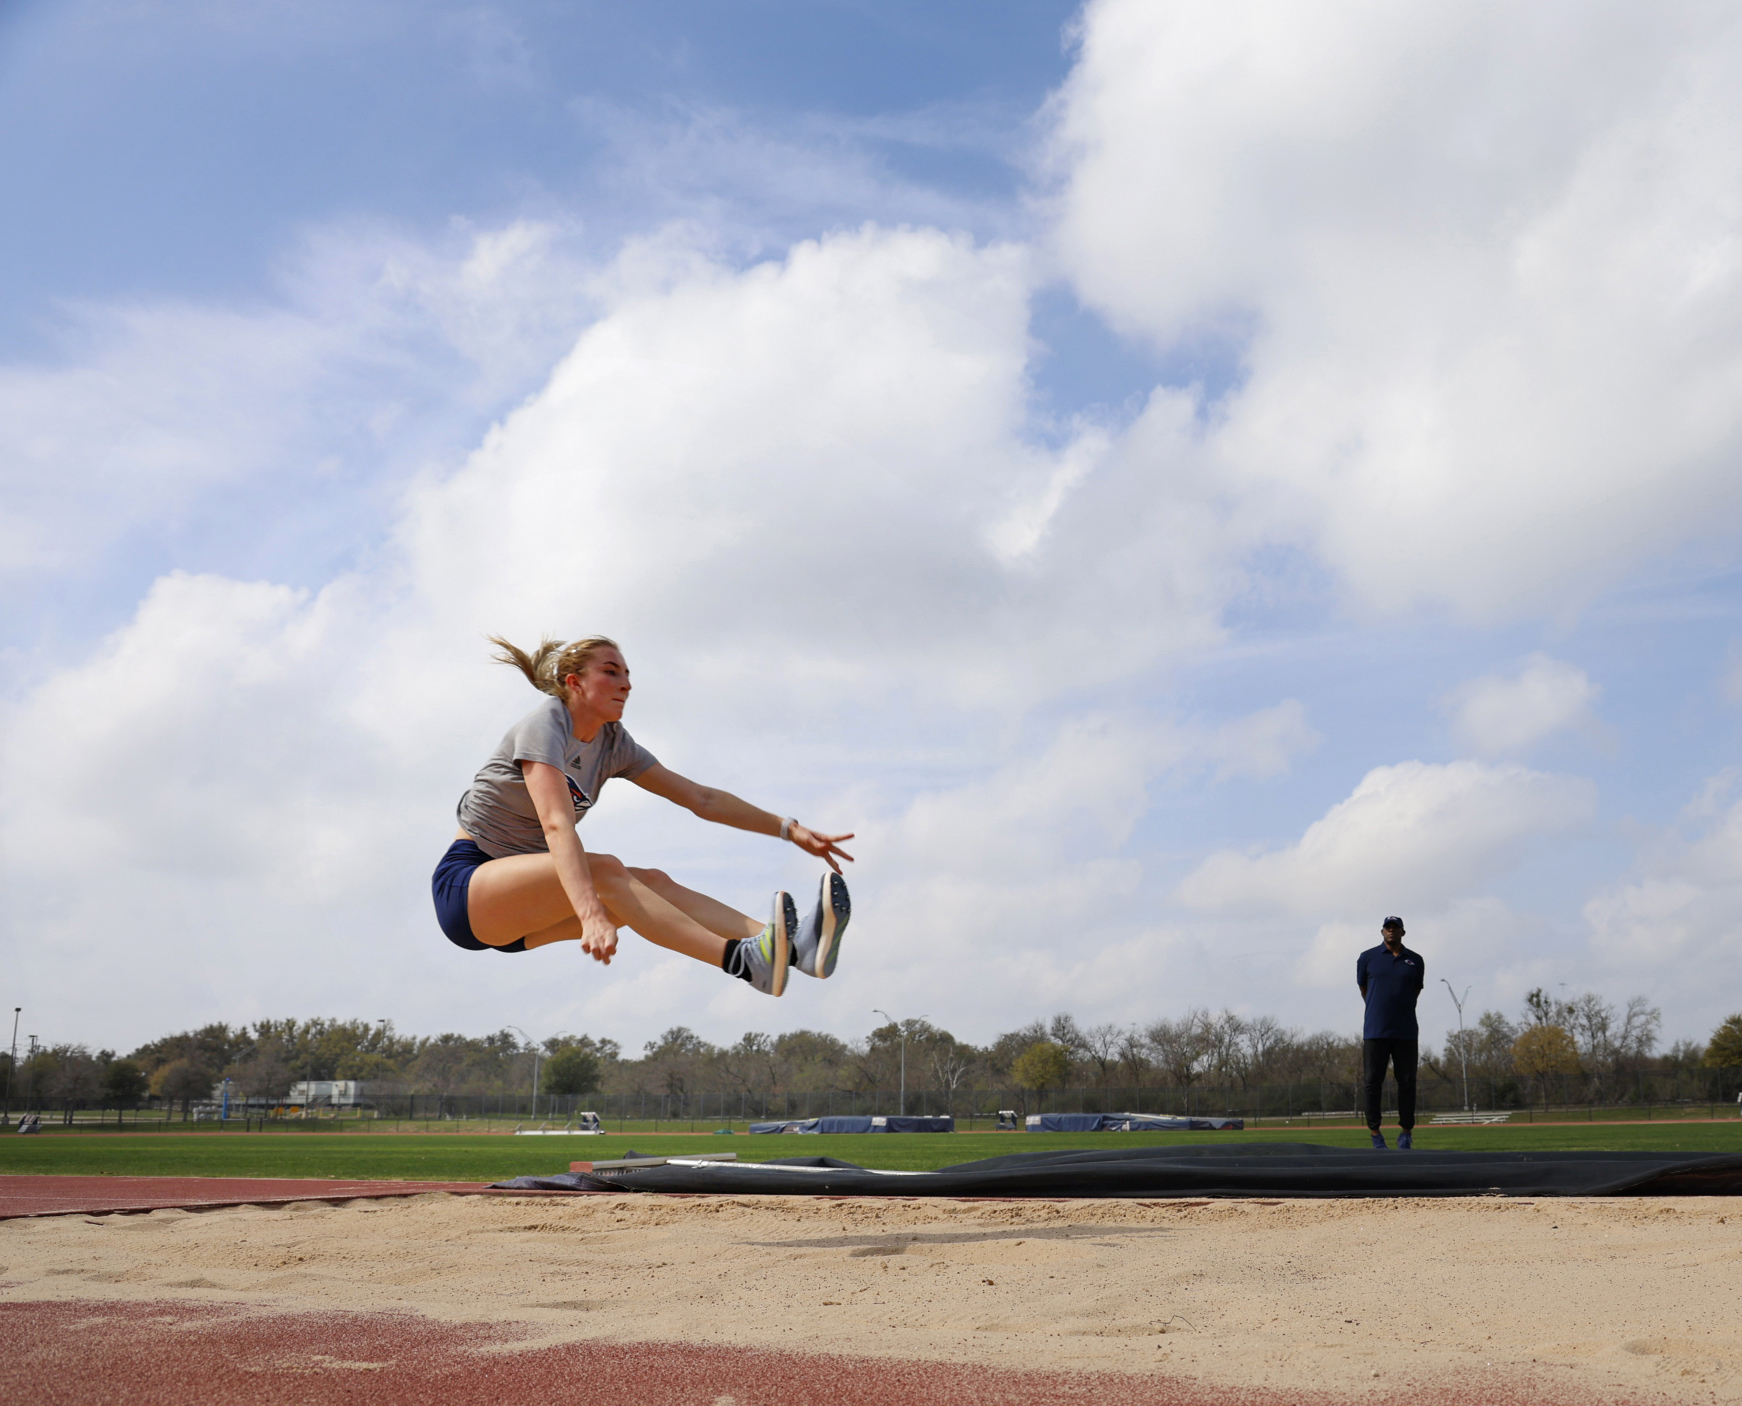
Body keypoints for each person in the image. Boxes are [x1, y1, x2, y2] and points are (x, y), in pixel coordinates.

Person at [431, 635, 854, 996]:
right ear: (574, 683)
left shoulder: (613, 743)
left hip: (522, 913)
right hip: (469, 888)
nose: (626, 684)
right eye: (611, 672)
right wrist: (591, 914)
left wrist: (788, 829)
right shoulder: (546, 725)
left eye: (628, 675)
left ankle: (792, 950)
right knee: (608, 872)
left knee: (652, 883)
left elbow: (700, 798)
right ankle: (745, 964)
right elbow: (556, 825)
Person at [1356, 916, 1425, 1149]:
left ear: (1403, 932)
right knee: (1372, 1082)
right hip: (1376, 1030)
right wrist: (1380, 1010)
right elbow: (1364, 989)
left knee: (1407, 1082)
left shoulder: (1415, 960)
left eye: (1396, 928)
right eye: (1388, 928)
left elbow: (1415, 991)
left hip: (1406, 1031)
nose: (1392, 931)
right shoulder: (1368, 958)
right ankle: (1375, 1133)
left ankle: (1406, 1132)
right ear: (1382, 931)